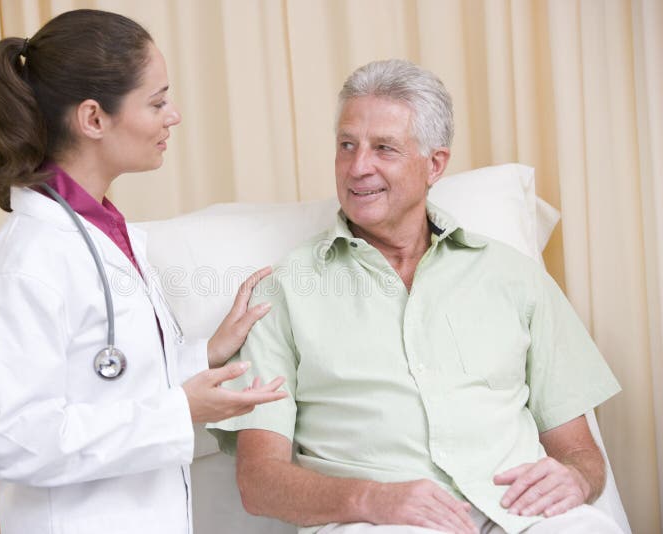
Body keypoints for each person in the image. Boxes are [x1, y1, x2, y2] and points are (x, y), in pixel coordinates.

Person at [207, 59, 623, 534]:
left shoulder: (515, 277)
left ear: (435, 164)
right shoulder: (282, 291)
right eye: (347, 146)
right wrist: (373, 499)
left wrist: (573, 479)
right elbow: (259, 482)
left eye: (384, 148)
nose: (358, 167)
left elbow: (581, 454)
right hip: (378, 522)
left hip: (520, 516)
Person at [0, 9, 286, 534]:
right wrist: (179, 411)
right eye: (157, 101)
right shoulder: (27, 265)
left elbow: (109, 381)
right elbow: (14, 440)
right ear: (93, 118)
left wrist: (204, 353)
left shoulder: (105, 232)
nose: (174, 116)